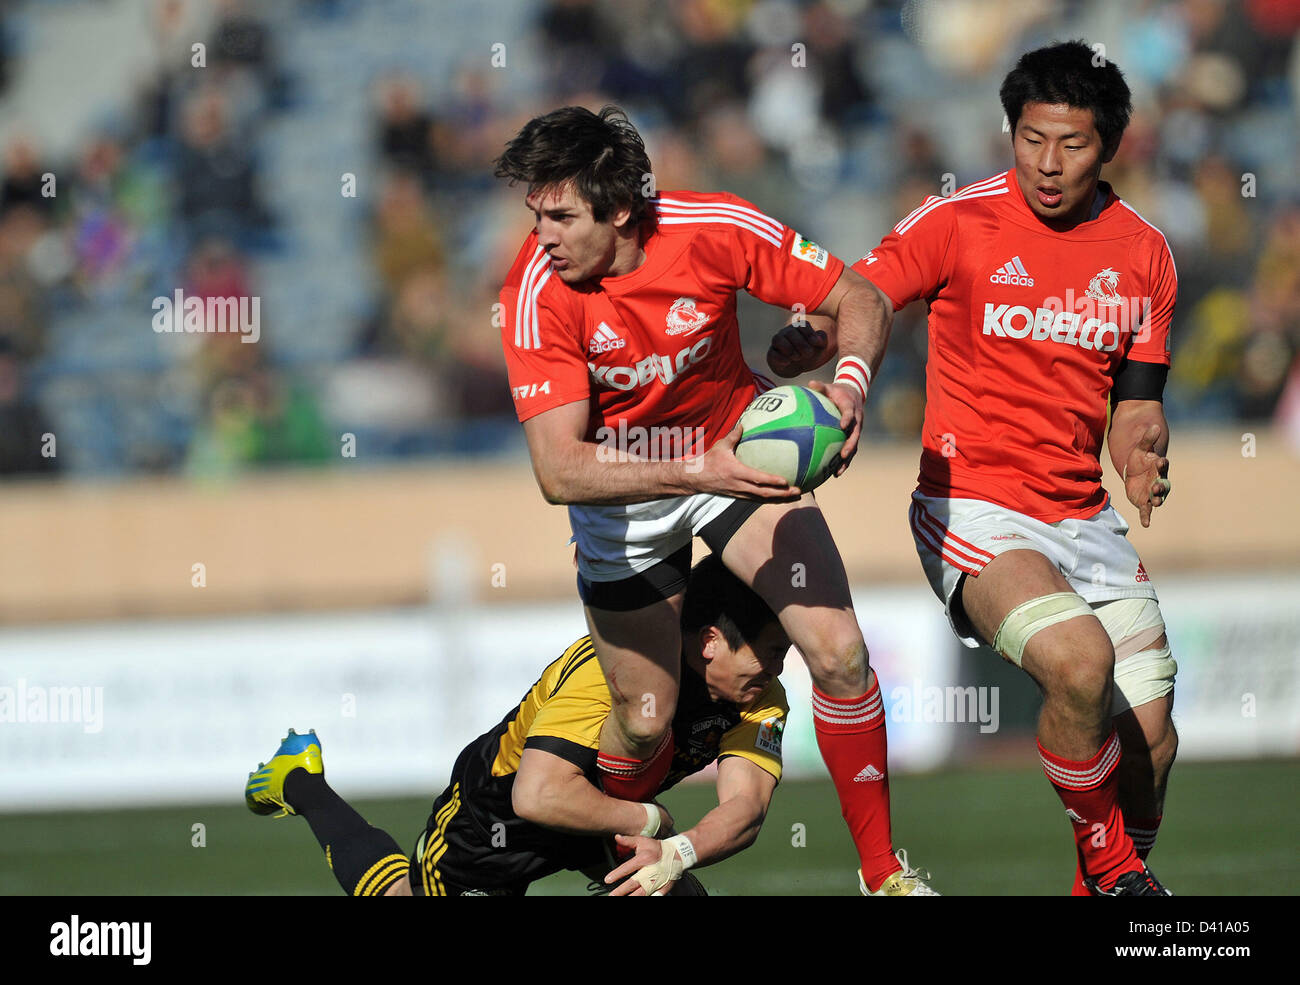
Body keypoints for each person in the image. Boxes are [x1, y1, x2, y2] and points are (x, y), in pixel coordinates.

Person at [769, 41, 1177, 896]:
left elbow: (1136, 399)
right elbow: (869, 294)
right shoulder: (956, 219)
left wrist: (1141, 446)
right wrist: (832, 354)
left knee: (1152, 738)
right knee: (1077, 663)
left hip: (1084, 517)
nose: (1047, 163)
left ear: (1108, 146)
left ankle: (1099, 885)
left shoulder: (1145, 254)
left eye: (1070, 144)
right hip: (972, 507)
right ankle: (1114, 876)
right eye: (1031, 139)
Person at [494, 105, 935, 895]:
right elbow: (559, 471)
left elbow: (859, 296)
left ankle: (883, 877)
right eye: (536, 215)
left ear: (620, 209)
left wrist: (847, 384)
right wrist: (700, 470)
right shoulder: (536, 293)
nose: (542, 236)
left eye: (559, 215)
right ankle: (632, 868)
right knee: (647, 716)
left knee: (838, 651)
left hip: (737, 449)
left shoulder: (714, 226)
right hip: (626, 498)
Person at [245, 557, 791, 896]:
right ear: (712, 640)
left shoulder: (760, 698)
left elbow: (746, 809)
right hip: (499, 812)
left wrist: (678, 851)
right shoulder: (615, 671)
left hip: (608, 815)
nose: (779, 668)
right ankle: (301, 781)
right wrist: (649, 817)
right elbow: (538, 795)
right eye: (771, 651)